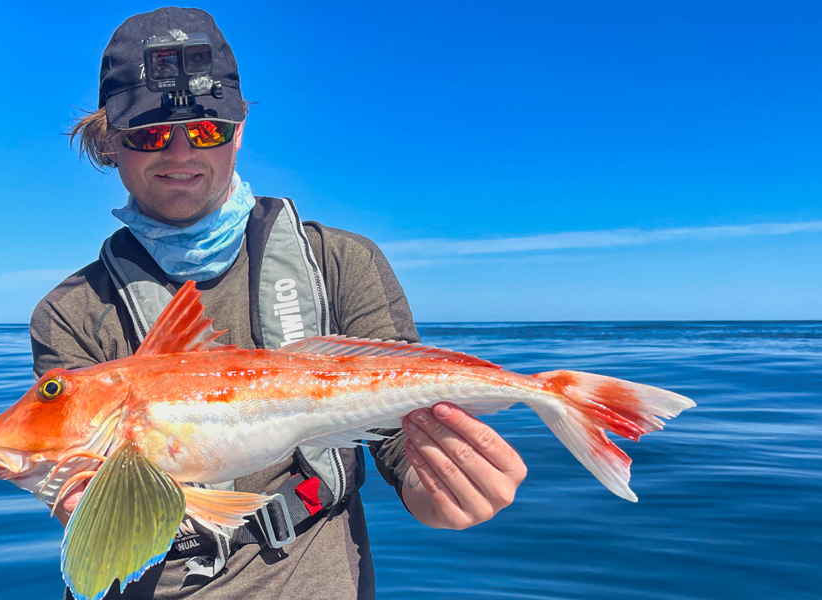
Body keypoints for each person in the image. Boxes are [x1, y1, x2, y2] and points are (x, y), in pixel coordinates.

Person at [32, 7, 527, 599]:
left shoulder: (341, 262)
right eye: (150, 133)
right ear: (111, 141)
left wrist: (446, 494)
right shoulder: (70, 311)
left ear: (239, 128)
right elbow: (74, 475)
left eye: (208, 128)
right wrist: (76, 495)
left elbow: (399, 440)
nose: (182, 152)